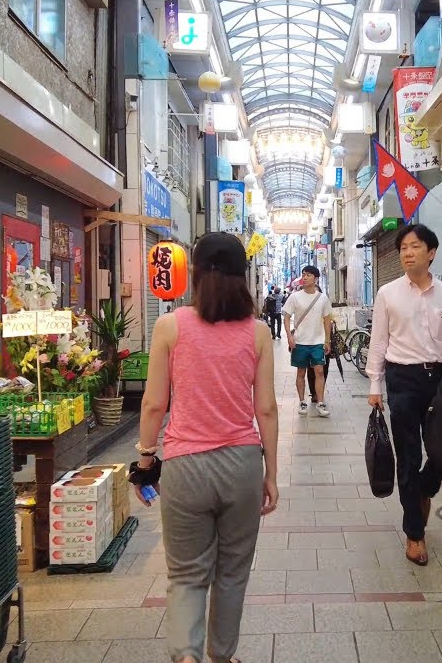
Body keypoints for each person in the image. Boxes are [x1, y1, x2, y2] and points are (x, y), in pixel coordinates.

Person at [130, 232, 280, 663]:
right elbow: (266, 409)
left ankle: (186, 656)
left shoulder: (169, 326)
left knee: (186, 575)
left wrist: (145, 460)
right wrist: (271, 473)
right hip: (241, 465)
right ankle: (221, 655)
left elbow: (155, 402)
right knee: (232, 573)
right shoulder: (257, 332)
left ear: (195, 275)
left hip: (184, 466)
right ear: (242, 278)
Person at [366, 223, 442, 566]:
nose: (407, 253)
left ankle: (425, 487)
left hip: (438, 379)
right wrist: (375, 386)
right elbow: (378, 342)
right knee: (408, 457)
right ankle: (414, 534)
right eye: (404, 248)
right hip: (402, 380)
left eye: (415, 247)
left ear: (431, 252)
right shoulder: (388, 293)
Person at [283, 265, 333, 417]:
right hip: (300, 342)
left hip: (317, 341)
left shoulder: (323, 298)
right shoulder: (295, 297)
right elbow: (286, 316)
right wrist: (289, 337)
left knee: (319, 371)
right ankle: (302, 401)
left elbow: (327, 320)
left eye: (308, 275)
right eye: (303, 274)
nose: (304, 277)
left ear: (316, 278)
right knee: (301, 372)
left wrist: (327, 340)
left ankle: (320, 402)